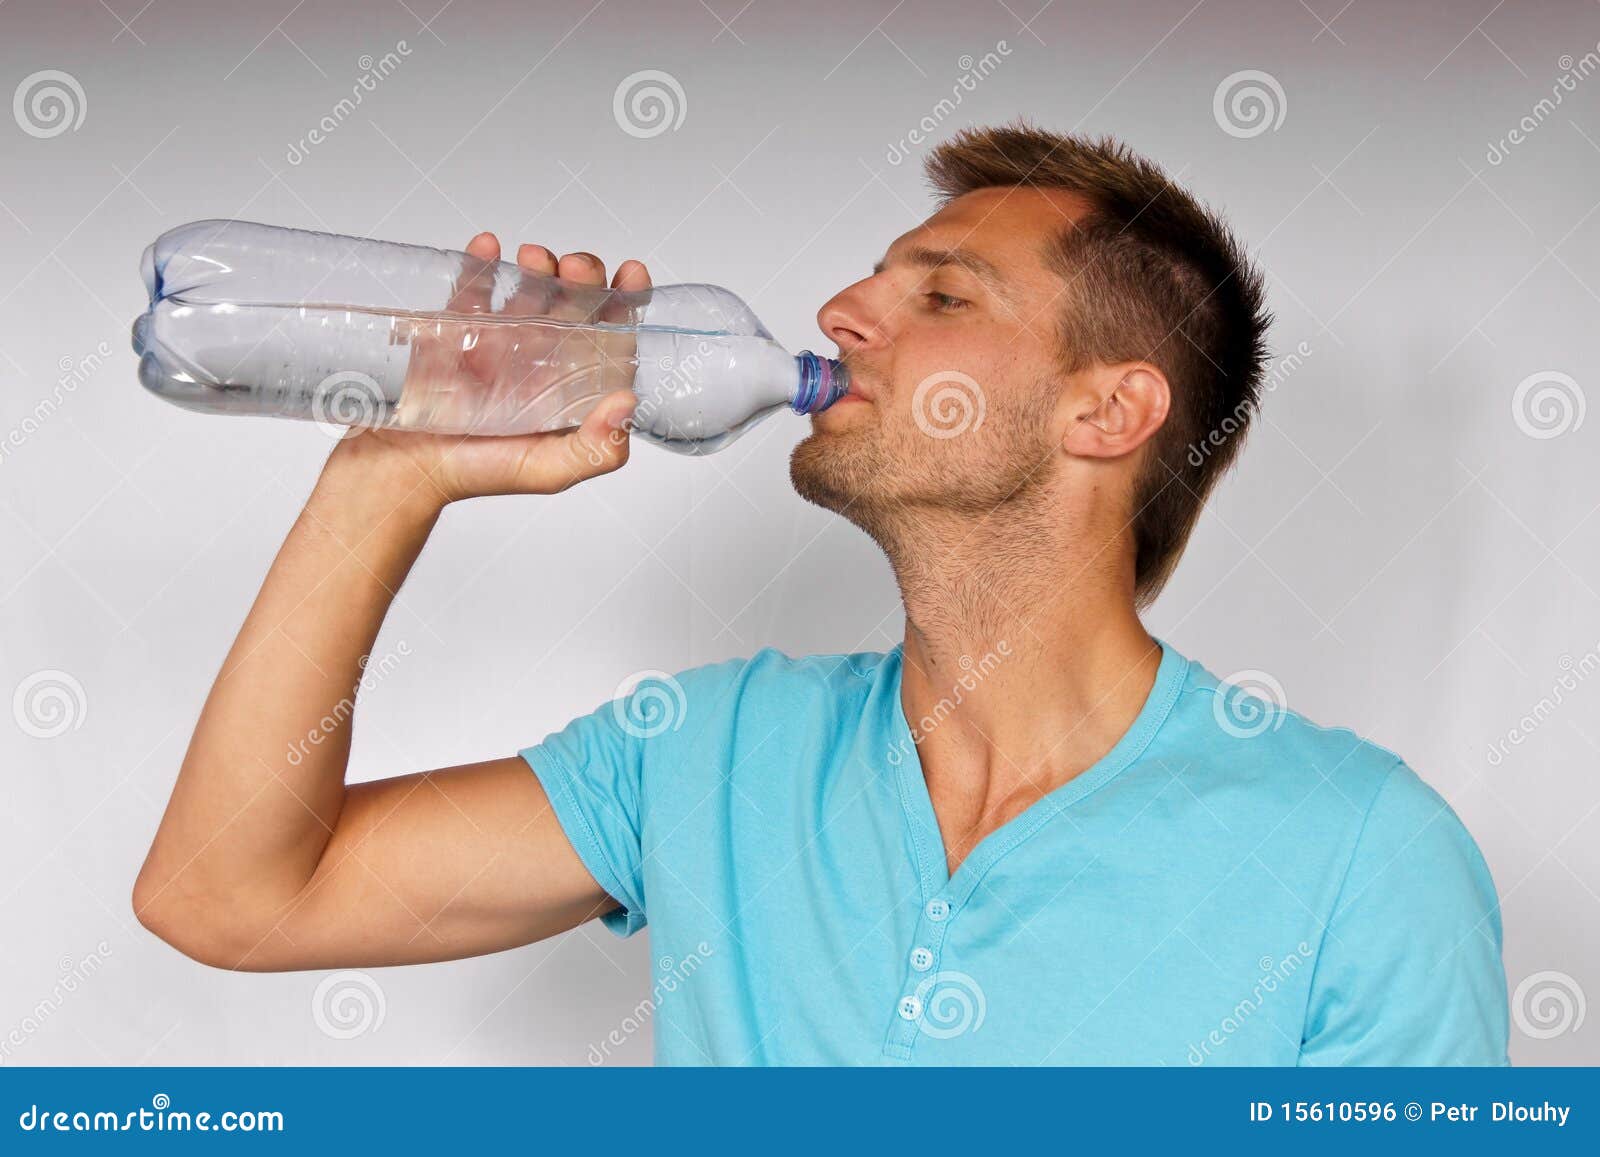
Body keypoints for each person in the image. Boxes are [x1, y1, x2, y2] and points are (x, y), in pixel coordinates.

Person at [133, 122, 1508, 1065]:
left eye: (943, 297)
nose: (843, 311)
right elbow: (228, 897)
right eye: (871, 279)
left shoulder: (1362, 855)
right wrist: (392, 473)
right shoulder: (708, 752)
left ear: (1108, 411)